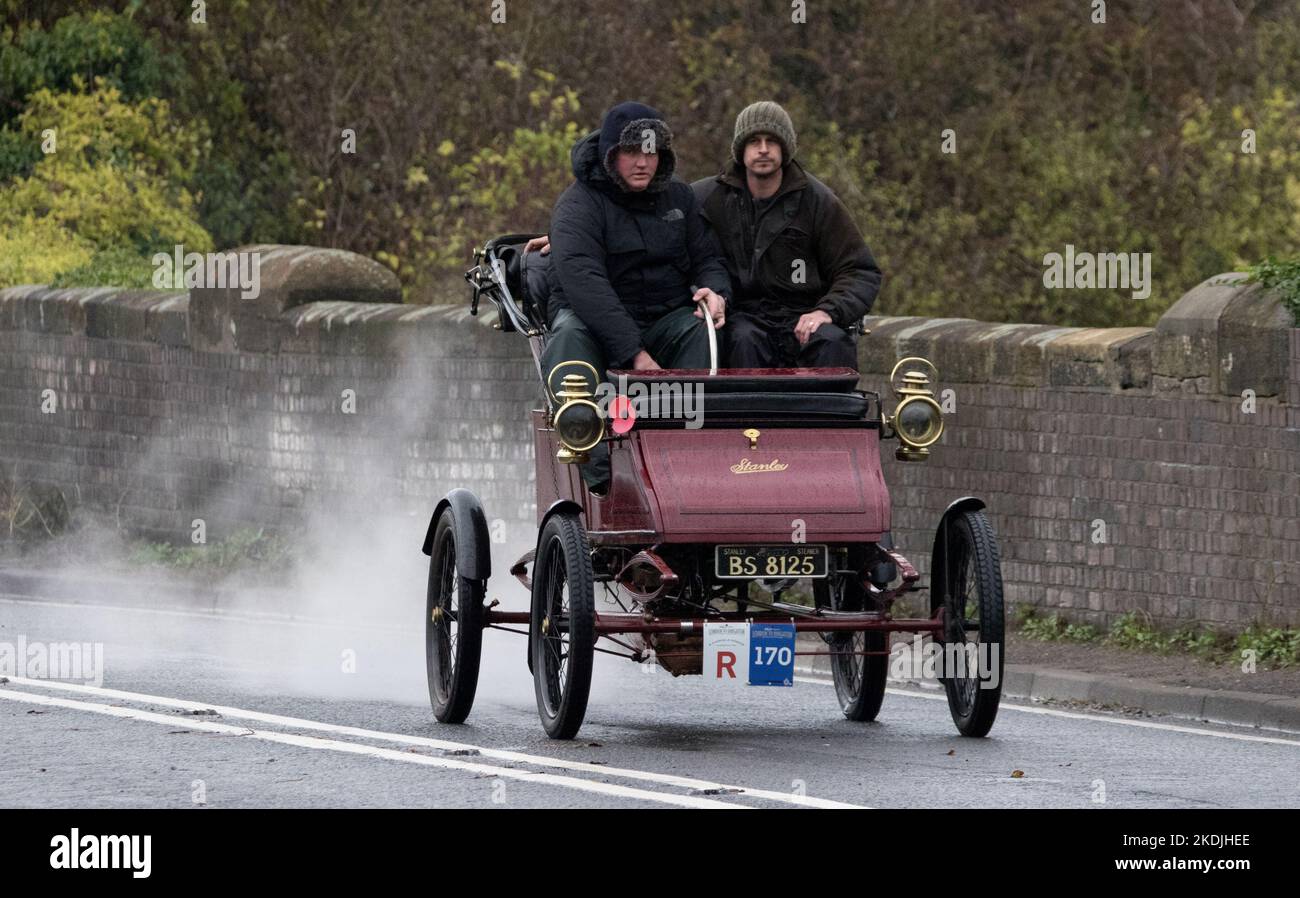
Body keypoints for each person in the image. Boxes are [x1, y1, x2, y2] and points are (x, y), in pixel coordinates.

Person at [541, 100, 729, 494]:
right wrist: (634, 355)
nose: (643, 162)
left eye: (651, 151)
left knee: (700, 330)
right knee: (567, 341)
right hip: (591, 322)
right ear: (611, 155)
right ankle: (599, 479)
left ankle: (686, 466)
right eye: (631, 152)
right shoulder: (577, 206)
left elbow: (708, 258)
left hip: (660, 318)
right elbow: (586, 284)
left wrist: (716, 291)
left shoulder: (679, 198)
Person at [692, 101, 881, 369]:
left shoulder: (818, 201)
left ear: (786, 147)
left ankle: (828, 412)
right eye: (754, 141)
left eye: (772, 141)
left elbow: (860, 271)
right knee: (742, 340)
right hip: (742, 318)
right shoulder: (706, 199)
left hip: (805, 316)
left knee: (832, 344)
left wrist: (827, 311)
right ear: (740, 149)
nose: (763, 149)